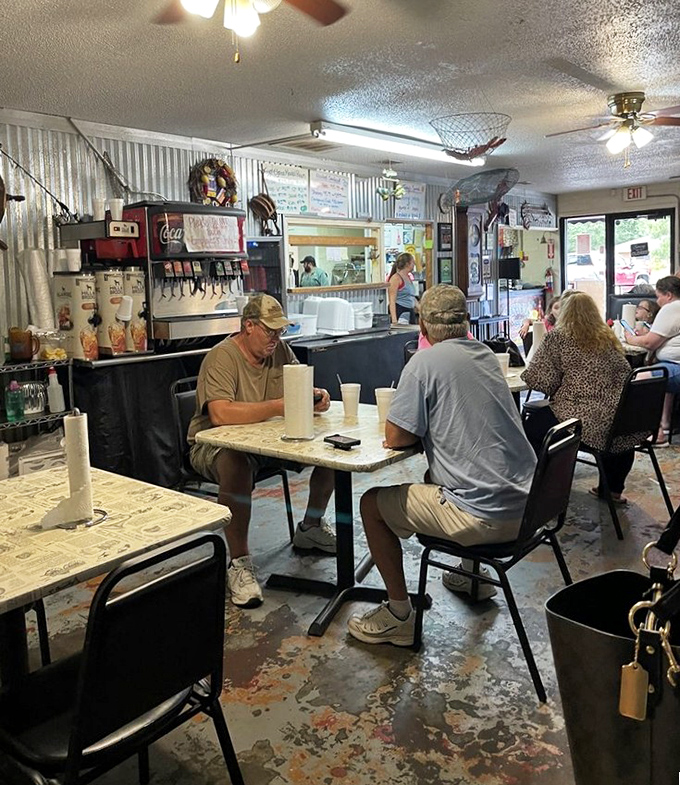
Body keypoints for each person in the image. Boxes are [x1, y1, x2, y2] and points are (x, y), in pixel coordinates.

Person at [346, 284, 537, 647]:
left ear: (422, 326)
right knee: (436, 476)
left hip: (483, 517)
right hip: (529, 506)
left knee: (371, 505)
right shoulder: (484, 354)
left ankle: (399, 615)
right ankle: (472, 576)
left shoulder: (423, 362)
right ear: (466, 323)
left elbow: (397, 435)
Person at [188, 294, 335, 608]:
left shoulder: (280, 350)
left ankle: (309, 526)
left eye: (280, 331)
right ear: (248, 325)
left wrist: (317, 396)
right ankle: (239, 562)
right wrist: (281, 406)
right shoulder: (222, 357)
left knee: (336, 447)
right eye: (269, 331)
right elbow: (220, 415)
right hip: (214, 444)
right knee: (236, 464)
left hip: (268, 439)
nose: (276, 338)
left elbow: (300, 388)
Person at [521, 291, 637, 503]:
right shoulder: (608, 336)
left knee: (531, 428)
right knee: (615, 439)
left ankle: (543, 488)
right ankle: (612, 490)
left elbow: (541, 382)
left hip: (581, 419)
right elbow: (624, 372)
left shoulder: (558, 337)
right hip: (622, 419)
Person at [624, 275, 680, 444]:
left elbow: (649, 343)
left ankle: (653, 432)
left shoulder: (672, 308)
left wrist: (630, 339)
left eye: (658, 296)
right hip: (672, 365)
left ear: (668, 295)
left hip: (677, 367)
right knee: (661, 369)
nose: (658, 301)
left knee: (642, 377)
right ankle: (664, 425)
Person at [388, 252, 418, 325]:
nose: (414, 264)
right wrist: (394, 321)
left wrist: (423, 311)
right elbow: (392, 301)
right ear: (407, 264)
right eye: (413, 262)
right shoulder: (396, 278)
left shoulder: (408, 277)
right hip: (401, 311)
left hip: (410, 311)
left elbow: (412, 297)